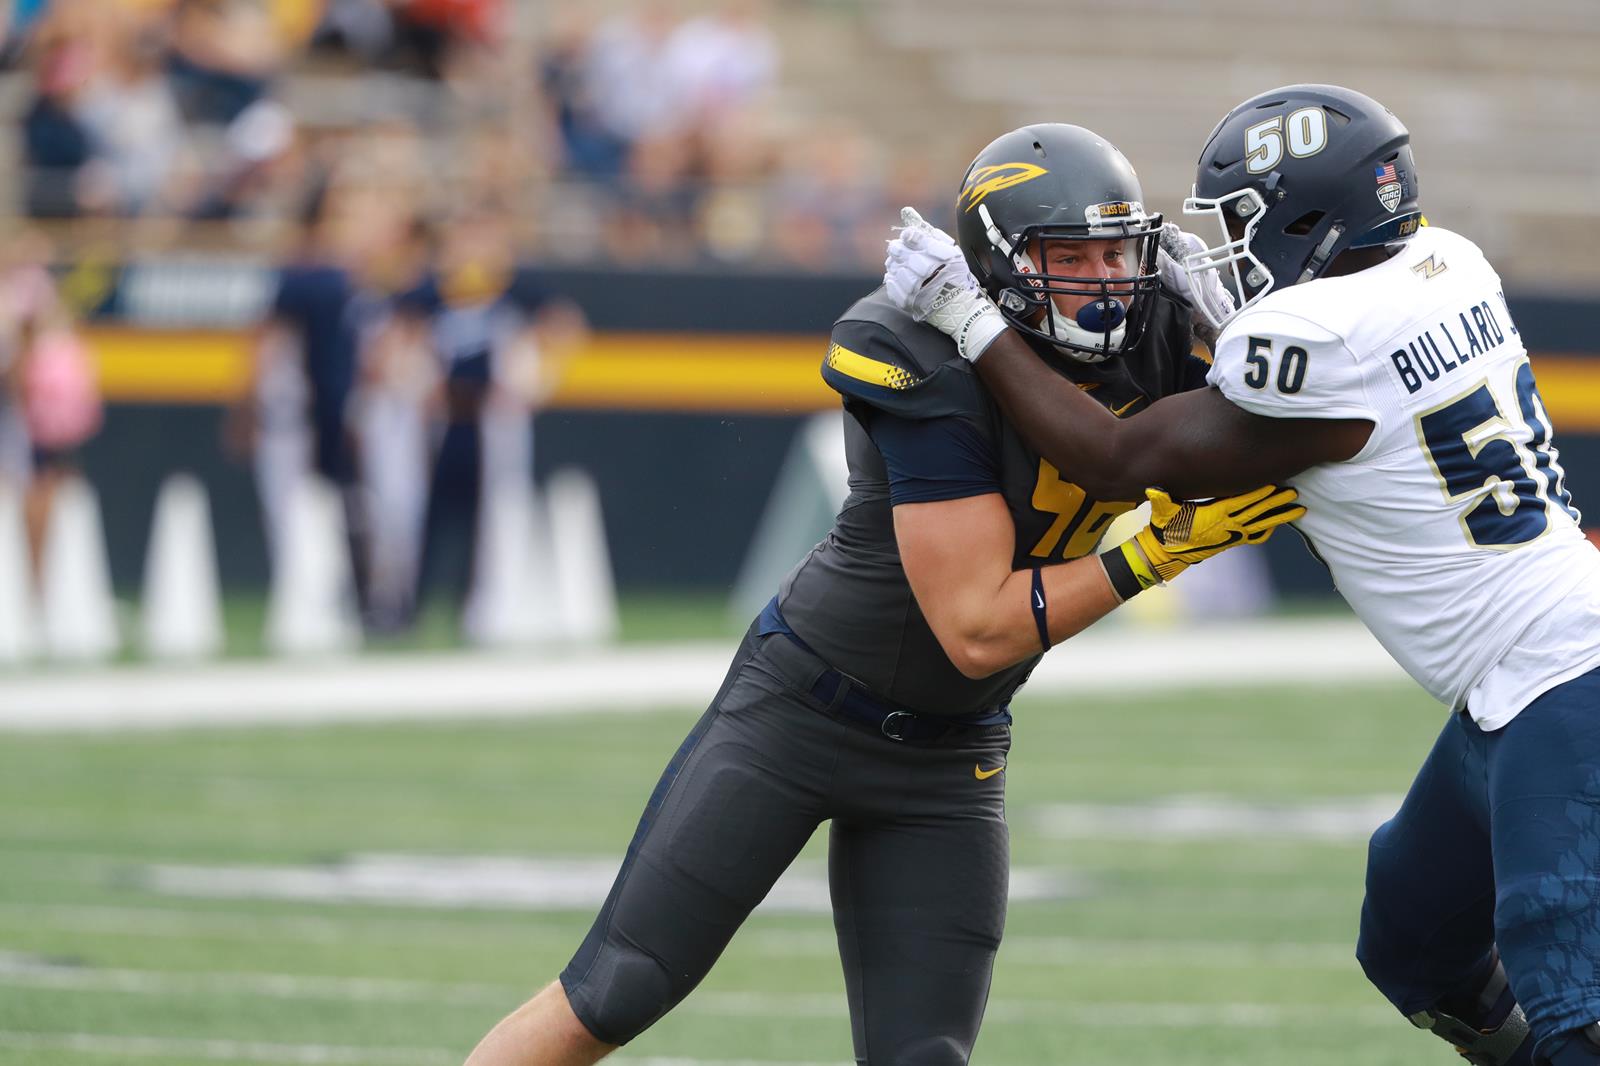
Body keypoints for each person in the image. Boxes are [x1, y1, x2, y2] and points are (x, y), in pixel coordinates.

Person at [462, 124, 1301, 1066]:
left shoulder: (1160, 333)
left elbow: (1290, 448)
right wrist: (1153, 556)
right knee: (616, 990)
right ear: (1000, 266)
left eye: (1116, 253)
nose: (1105, 281)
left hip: (953, 751)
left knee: (925, 1057)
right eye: (1070, 257)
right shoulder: (920, 348)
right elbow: (976, 628)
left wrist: (1242, 354)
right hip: (803, 714)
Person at [884, 84, 1600, 1066]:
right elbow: (1353, 406)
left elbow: (1115, 460)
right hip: (1523, 669)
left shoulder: (1317, 339)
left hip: (1560, 680)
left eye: (1242, 222)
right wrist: (1235, 332)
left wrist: (973, 323)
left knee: (1572, 1006)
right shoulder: (1450, 261)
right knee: (1413, 939)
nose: (1228, 247)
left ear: (1305, 220)